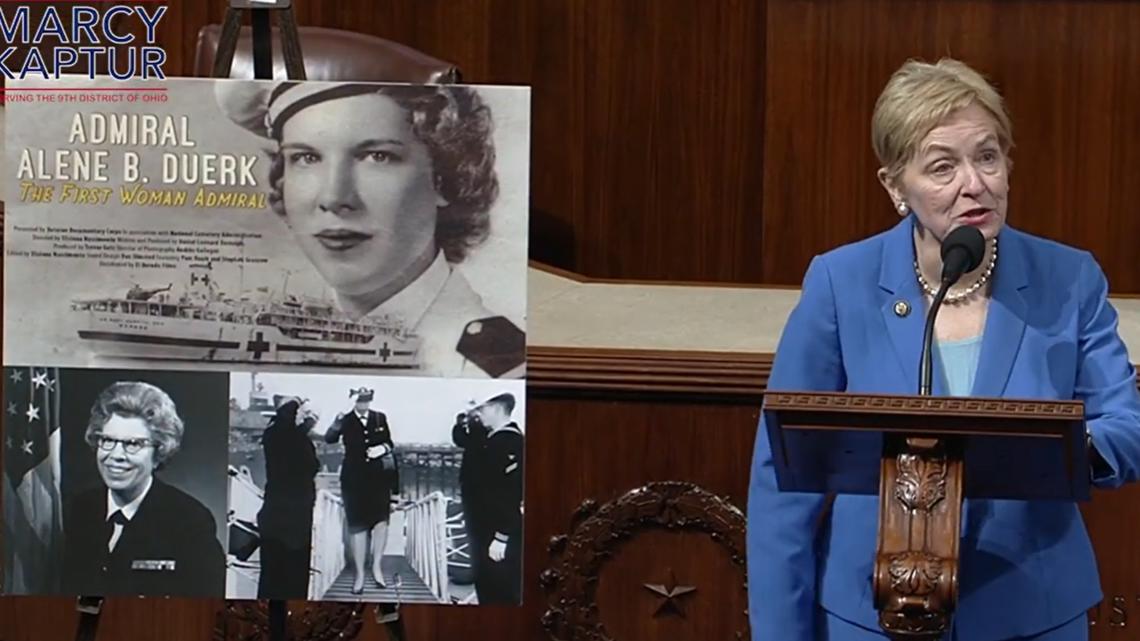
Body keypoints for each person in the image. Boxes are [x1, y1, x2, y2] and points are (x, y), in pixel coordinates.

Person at [747, 57, 1140, 641]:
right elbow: (783, 476)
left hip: (1029, 611)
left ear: (1008, 163)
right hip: (870, 613)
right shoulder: (841, 283)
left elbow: (1127, 425)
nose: (973, 183)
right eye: (942, 166)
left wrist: (1066, 453)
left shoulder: (1069, 279)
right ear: (895, 186)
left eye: (987, 156)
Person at [216, 80, 526, 379]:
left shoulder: (496, 368)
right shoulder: (267, 339)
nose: (333, 197)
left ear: (444, 179)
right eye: (306, 158)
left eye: (378, 156)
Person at [62, 381, 225, 597]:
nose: (116, 455)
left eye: (133, 444)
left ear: (159, 453)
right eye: (108, 440)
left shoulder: (190, 521)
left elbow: (203, 605)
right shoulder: (78, 509)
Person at [324, 387, 399, 595]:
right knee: (357, 527)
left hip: (379, 480)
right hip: (354, 480)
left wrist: (382, 449)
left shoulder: (379, 418)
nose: (364, 405)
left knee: (381, 524)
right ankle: (359, 574)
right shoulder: (346, 420)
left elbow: (389, 443)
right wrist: (337, 422)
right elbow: (329, 438)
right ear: (354, 402)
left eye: (367, 401)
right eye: (360, 401)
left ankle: (376, 568)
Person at [452, 392, 524, 604]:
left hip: (496, 533)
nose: (478, 414)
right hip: (483, 528)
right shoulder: (491, 439)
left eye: (482, 409)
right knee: (487, 587)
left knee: (500, 593)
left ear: (497, 408)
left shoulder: (510, 442)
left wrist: (502, 537)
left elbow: (510, 493)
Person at [256, 397, 320, 600]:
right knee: (295, 573)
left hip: (274, 511)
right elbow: (311, 466)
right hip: (296, 516)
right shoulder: (297, 439)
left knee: (271, 573)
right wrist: (305, 426)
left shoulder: (272, 434)